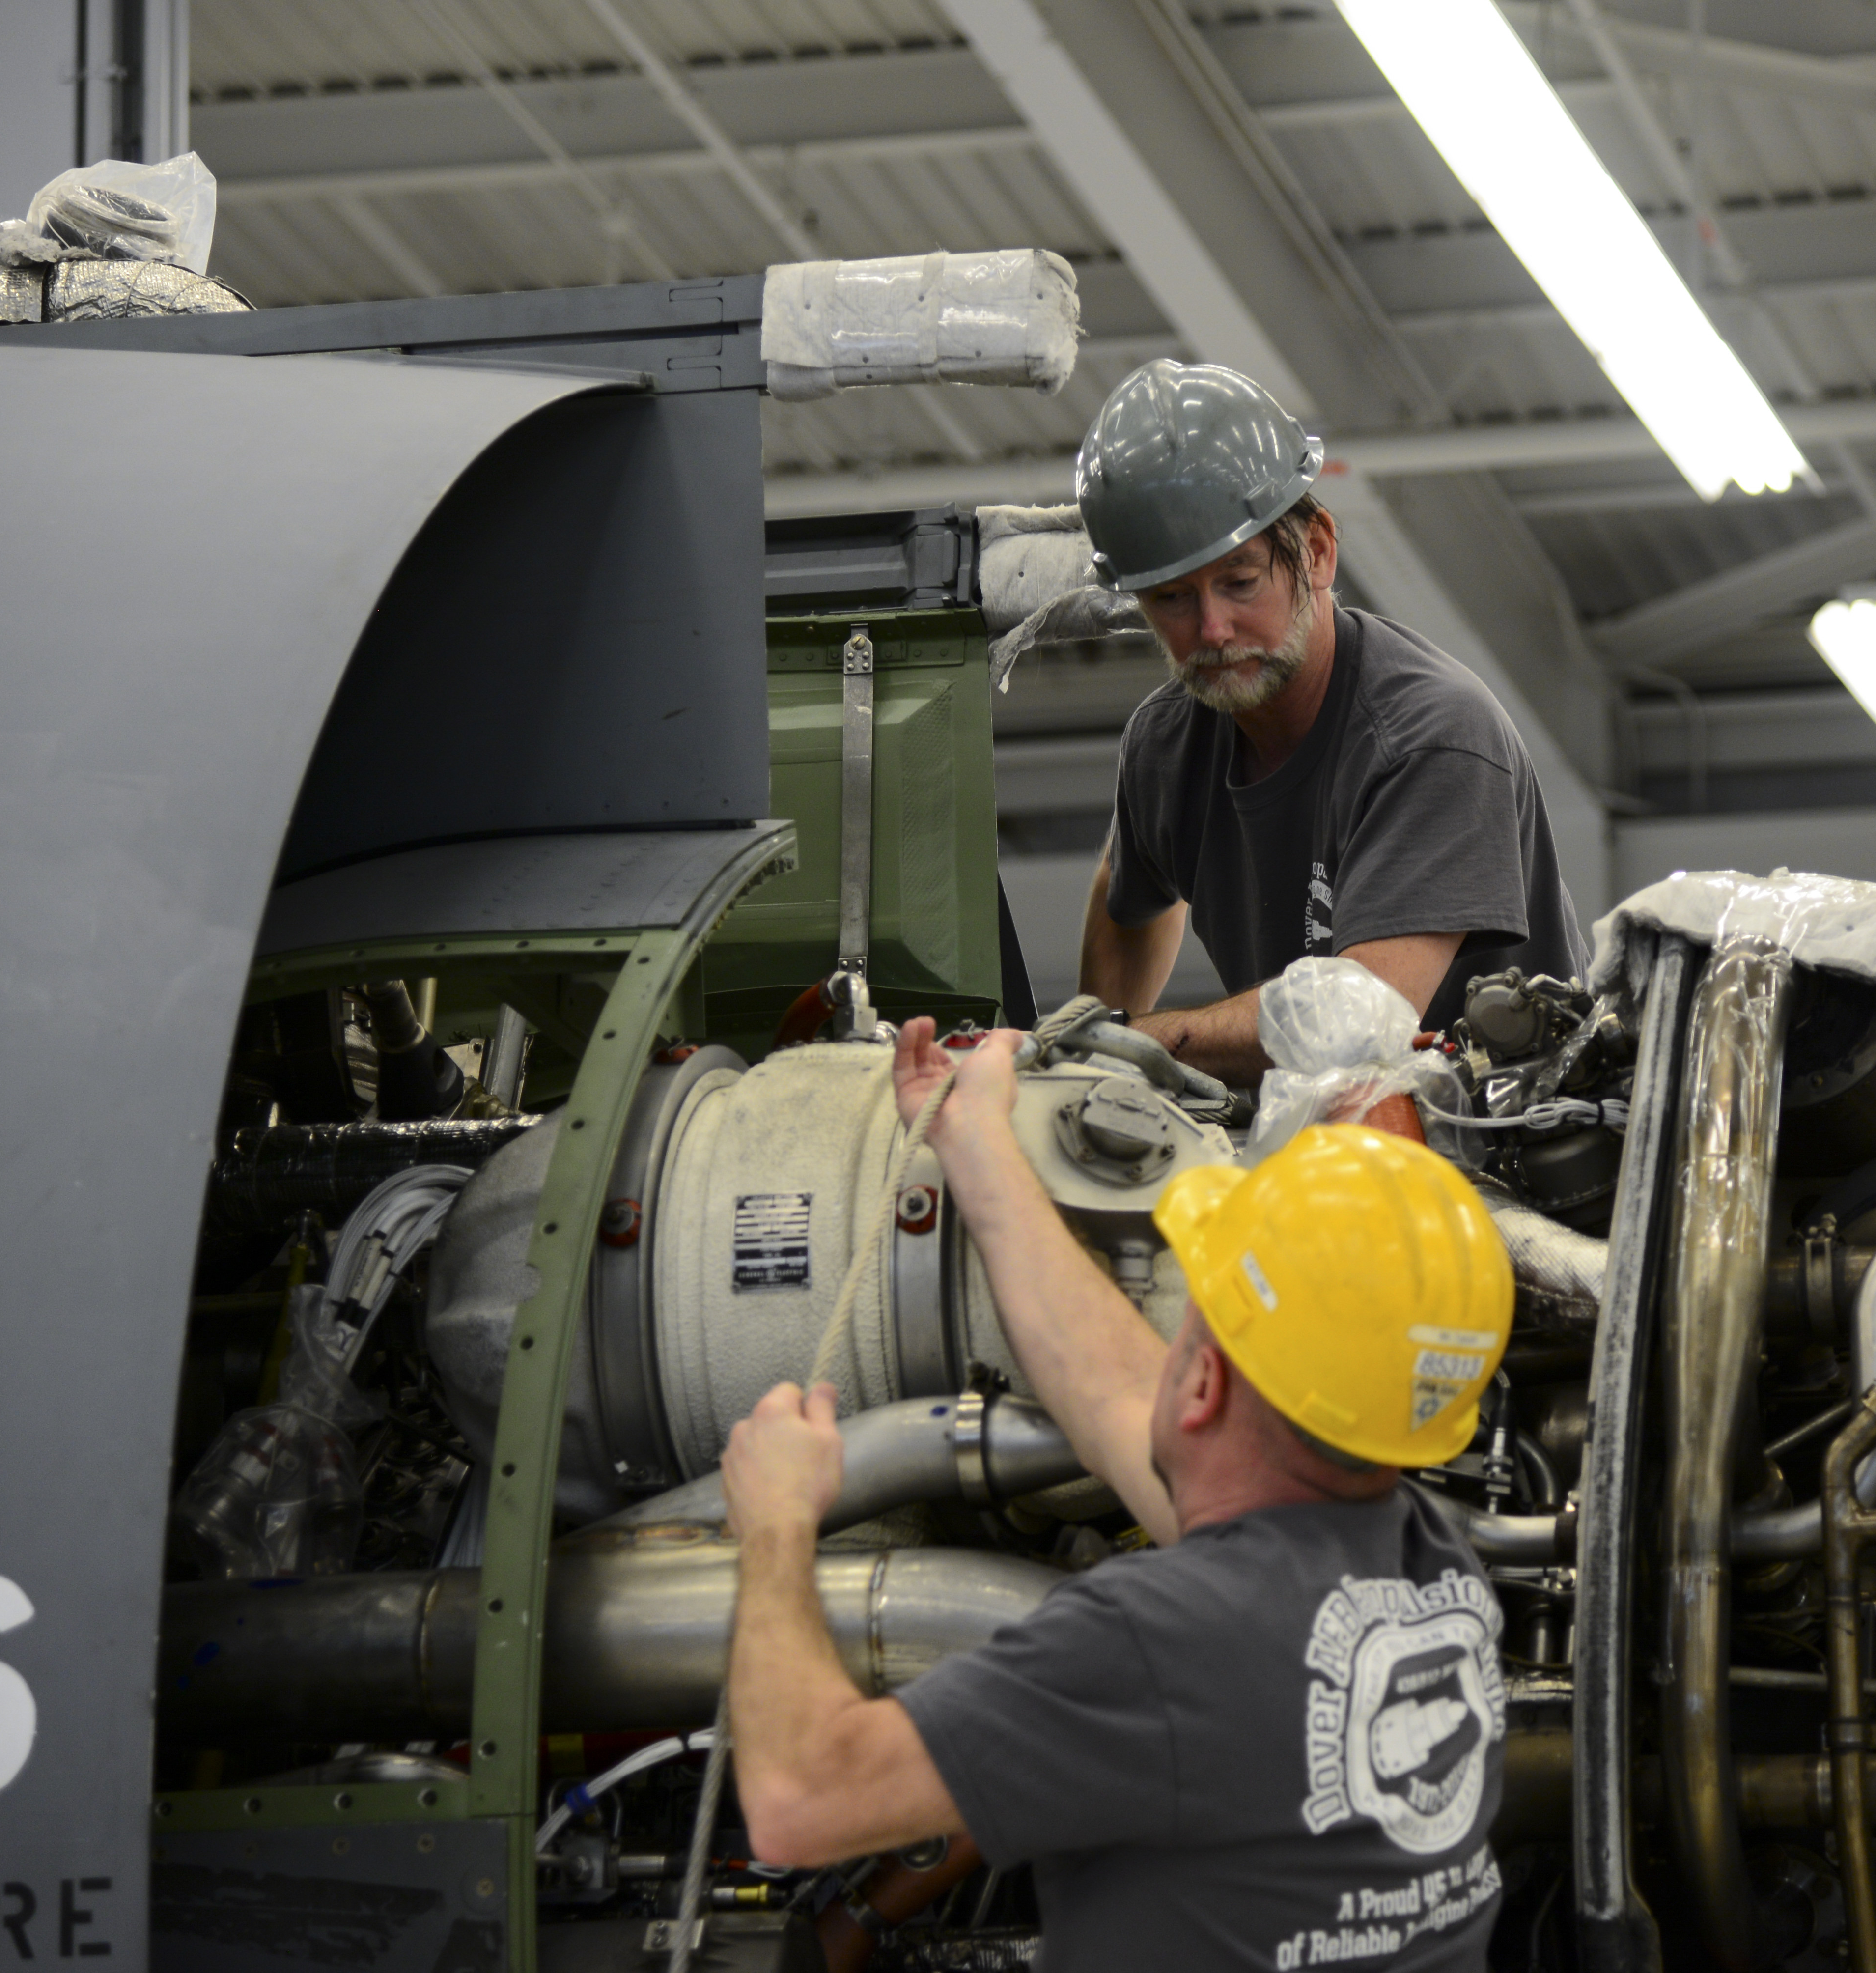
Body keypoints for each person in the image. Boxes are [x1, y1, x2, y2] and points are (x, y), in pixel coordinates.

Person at [720, 1020, 1517, 1970]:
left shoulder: (1163, 1645)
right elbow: (1117, 1396)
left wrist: (776, 1523)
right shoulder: (1432, 1564)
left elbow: (800, 1799)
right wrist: (975, 1143)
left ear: (1206, 1385)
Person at [1071, 358, 1585, 1083]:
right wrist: (1083, 1053)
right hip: (1314, 1138)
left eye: (1240, 582)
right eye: (1171, 600)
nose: (1212, 628)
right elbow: (1128, 893)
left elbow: (1356, 1020)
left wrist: (1128, 1047)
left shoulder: (1432, 736)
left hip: (1498, 1151)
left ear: (1315, 552)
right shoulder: (1164, 746)